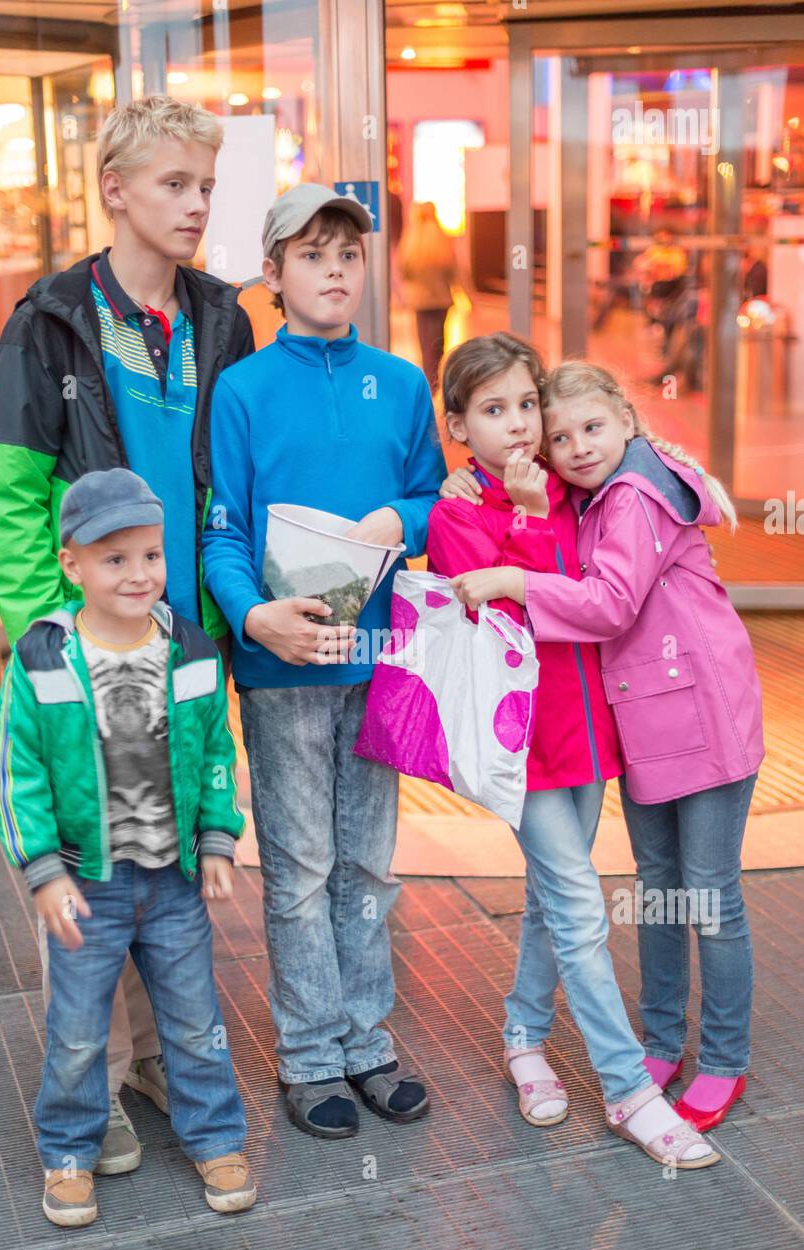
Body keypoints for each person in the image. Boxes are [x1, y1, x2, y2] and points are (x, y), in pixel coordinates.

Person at [0, 94, 255, 1174]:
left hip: (183, 650)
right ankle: (86, 1100)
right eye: (175, 184)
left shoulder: (223, 318)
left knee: (166, 857)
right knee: (90, 866)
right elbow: (8, 500)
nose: (195, 205)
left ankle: (148, 1066)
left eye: (204, 186)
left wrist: (230, 622)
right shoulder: (48, 320)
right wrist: (45, 640)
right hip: (88, 649)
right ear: (115, 190)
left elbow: (228, 479)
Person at [433, 333, 719, 1169]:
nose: (519, 426)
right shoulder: (457, 514)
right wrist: (517, 515)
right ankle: (630, 1091)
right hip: (518, 748)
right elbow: (510, 619)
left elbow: (604, 590)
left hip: (589, 734)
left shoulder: (574, 486)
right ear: (459, 426)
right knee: (581, 901)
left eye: (528, 405)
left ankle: (525, 1035)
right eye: (493, 411)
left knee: (552, 899)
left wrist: (655, 450)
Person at [202, 184, 446, 1138]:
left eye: (347, 253)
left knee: (369, 866)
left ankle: (366, 1043)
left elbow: (435, 499)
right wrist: (255, 618)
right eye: (311, 254)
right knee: (300, 869)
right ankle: (309, 1058)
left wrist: (406, 518)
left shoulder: (404, 381)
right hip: (282, 669)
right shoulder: (244, 391)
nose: (334, 269)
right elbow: (222, 528)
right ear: (273, 275)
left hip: (377, 659)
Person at [497, 360, 764, 1134]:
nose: (578, 446)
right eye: (561, 436)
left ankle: (723, 1057)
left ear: (627, 421)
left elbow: (611, 604)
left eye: (593, 428)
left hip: (705, 720)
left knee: (709, 896)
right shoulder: (589, 495)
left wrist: (514, 583)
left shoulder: (637, 496)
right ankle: (660, 1041)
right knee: (657, 887)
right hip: (646, 722)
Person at [0, 470, 254, 1227]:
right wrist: (41, 873)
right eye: (115, 560)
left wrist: (216, 838)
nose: (138, 574)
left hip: (173, 883)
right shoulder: (43, 657)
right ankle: (69, 1152)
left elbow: (213, 750)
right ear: (71, 564)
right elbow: (20, 771)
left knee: (196, 1020)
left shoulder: (191, 648)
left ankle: (216, 1138)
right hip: (87, 885)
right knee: (77, 1029)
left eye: (150, 555)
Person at [397, 201, 459, 393]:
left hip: (420, 300)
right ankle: (439, 379)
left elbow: (404, 270)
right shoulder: (443, 240)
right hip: (441, 298)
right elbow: (454, 270)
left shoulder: (411, 241)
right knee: (439, 340)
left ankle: (428, 383)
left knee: (425, 343)